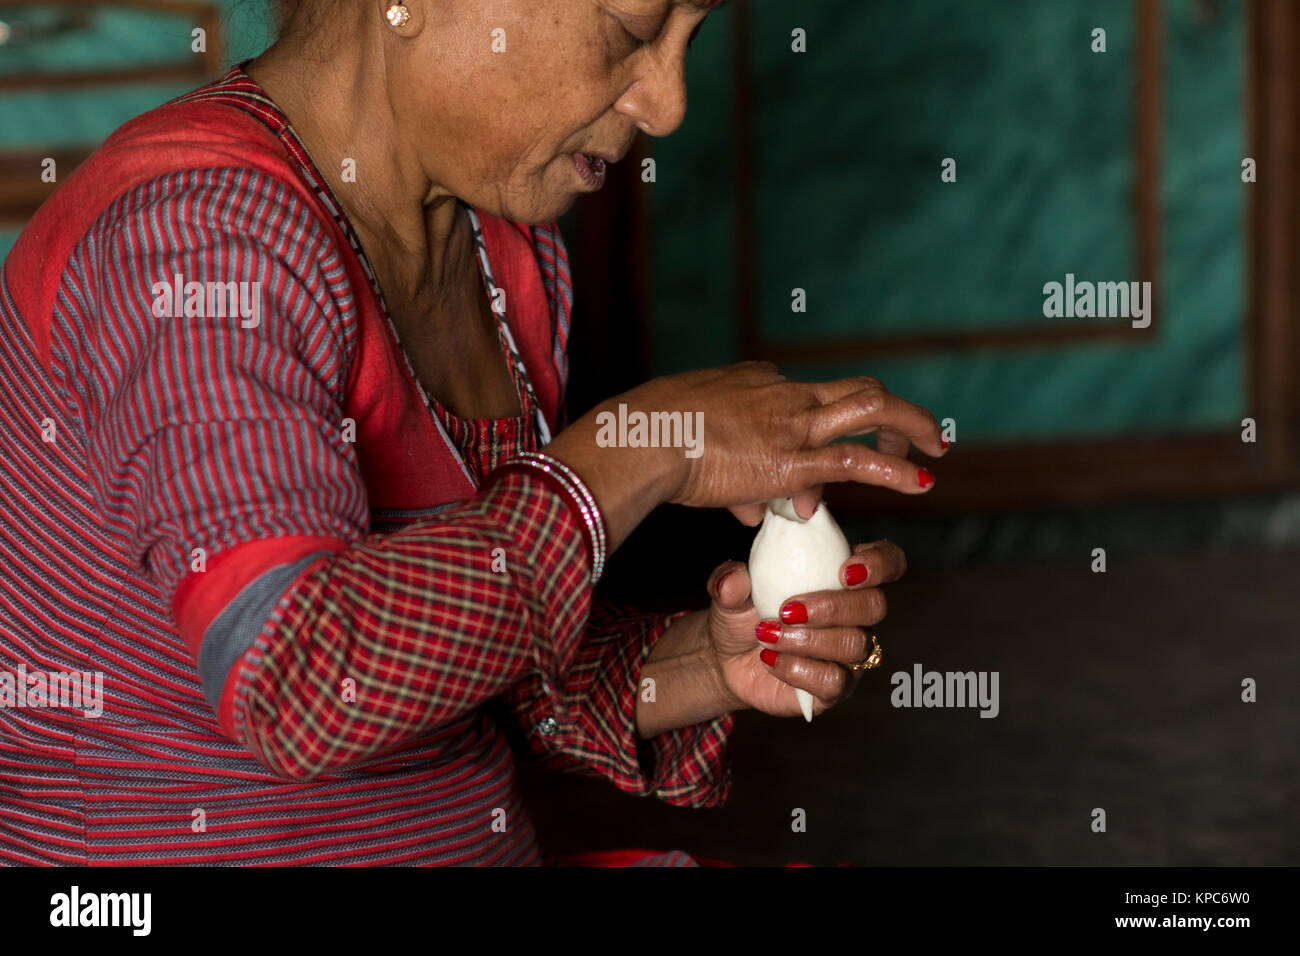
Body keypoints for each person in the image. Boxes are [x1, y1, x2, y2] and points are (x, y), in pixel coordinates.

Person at [0, 0, 946, 865]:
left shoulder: (503, 250)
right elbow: (301, 683)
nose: (667, 106)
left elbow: (470, 657)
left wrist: (710, 660)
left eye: (687, 40)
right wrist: (651, 445)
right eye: (630, 27)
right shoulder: (199, 242)